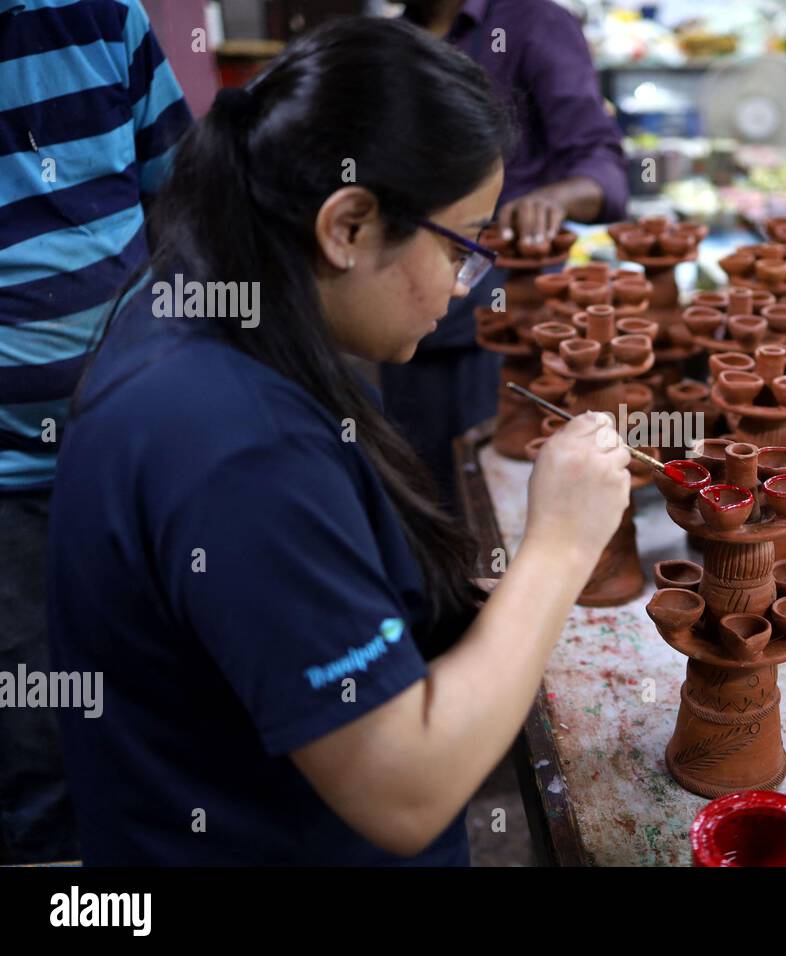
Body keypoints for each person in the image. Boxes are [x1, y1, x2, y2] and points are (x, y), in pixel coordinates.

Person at [47, 17, 630, 865]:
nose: (470, 282)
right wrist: (559, 545)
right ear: (347, 225)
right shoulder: (233, 443)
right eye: (463, 244)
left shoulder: (203, 295)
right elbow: (406, 789)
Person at [0, 0, 190, 864]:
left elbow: (186, 205)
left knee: (159, 717)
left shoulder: (106, 14)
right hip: (8, 495)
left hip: (128, 460)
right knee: (42, 753)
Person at [383, 0, 628, 504]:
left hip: (499, 309)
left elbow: (602, 165)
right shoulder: (391, 41)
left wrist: (554, 197)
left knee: (492, 482)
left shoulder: (535, 23)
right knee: (416, 484)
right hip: (398, 308)